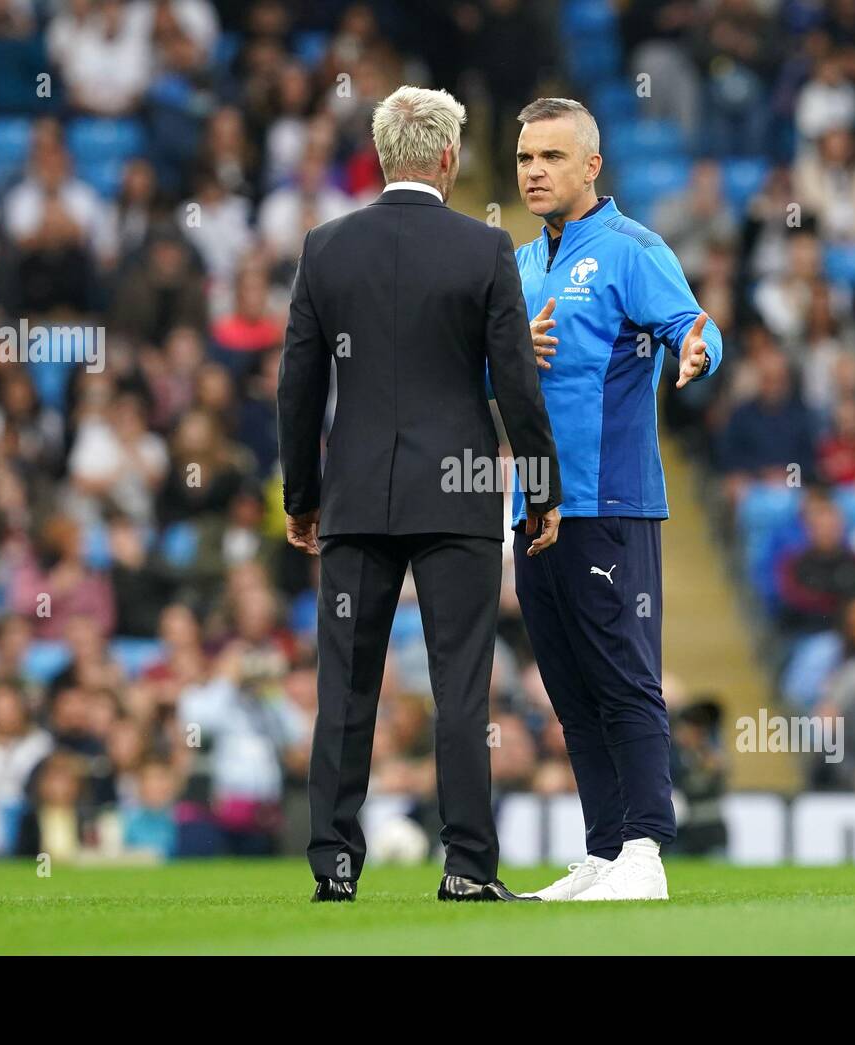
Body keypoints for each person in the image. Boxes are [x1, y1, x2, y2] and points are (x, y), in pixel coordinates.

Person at [277, 85, 562, 903]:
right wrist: (539, 488)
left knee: (347, 685)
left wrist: (303, 495)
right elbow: (515, 385)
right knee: (460, 687)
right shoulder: (484, 249)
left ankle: (334, 863)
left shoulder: (325, 248)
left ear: (381, 155)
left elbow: (300, 387)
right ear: (447, 158)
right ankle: (468, 867)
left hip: (357, 498)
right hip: (459, 496)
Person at [511, 97, 721, 901]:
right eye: (526, 158)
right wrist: (506, 358)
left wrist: (697, 347)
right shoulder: (521, 265)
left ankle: (647, 851)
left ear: (591, 165)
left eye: (551, 157)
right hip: (534, 507)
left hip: (613, 504)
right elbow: (489, 380)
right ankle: (605, 850)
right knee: (571, 691)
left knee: (626, 679)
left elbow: (693, 323)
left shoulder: (634, 248)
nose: (534, 172)